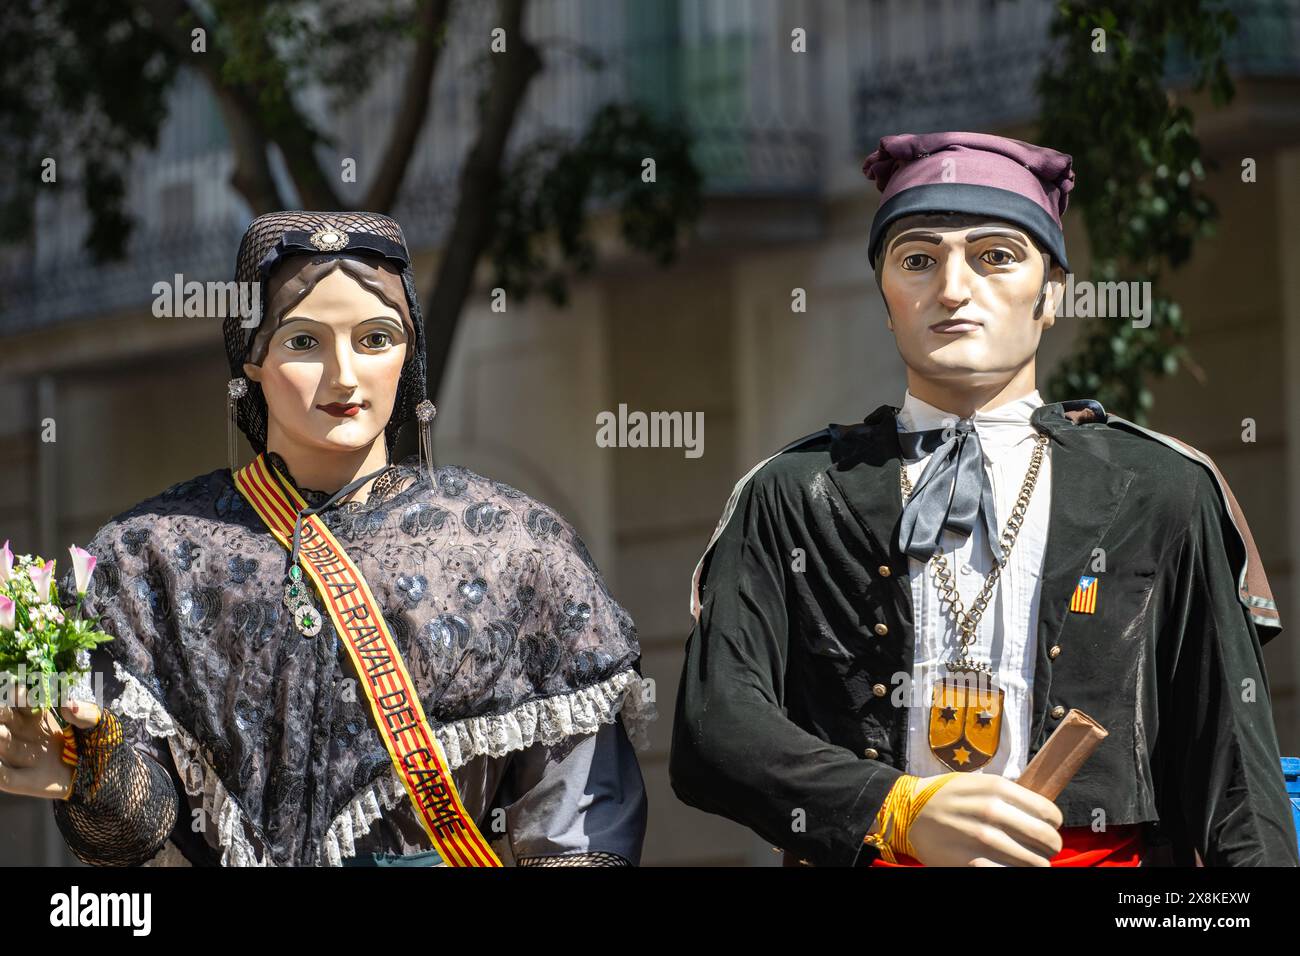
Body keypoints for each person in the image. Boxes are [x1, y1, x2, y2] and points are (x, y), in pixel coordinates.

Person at [669, 131, 1297, 867]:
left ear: (1051, 293)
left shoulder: (1165, 488)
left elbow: (1234, 770)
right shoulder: (790, 493)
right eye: (918, 260)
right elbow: (716, 729)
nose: (954, 289)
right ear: (886, 298)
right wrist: (895, 806)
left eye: (996, 256)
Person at [0, 210, 652, 867]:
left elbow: (579, 827)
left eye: (375, 338)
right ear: (252, 359)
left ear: (409, 352)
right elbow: (134, 832)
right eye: (305, 343)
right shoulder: (154, 558)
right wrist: (91, 774)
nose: (343, 375)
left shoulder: (519, 547)